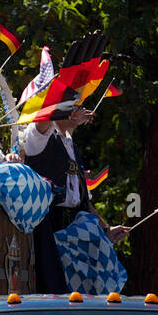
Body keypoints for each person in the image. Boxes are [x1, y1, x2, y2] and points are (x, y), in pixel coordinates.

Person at [22, 105, 130, 293]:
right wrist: (58, 105)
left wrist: (106, 229)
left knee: (88, 287)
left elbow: (83, 201)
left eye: (78, 106)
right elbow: (43, 116)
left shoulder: (71, 145)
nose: (80, 110)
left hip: (74, 225)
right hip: (48, 225)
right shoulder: (39, 138)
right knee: (54, 286)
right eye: (72, 106)